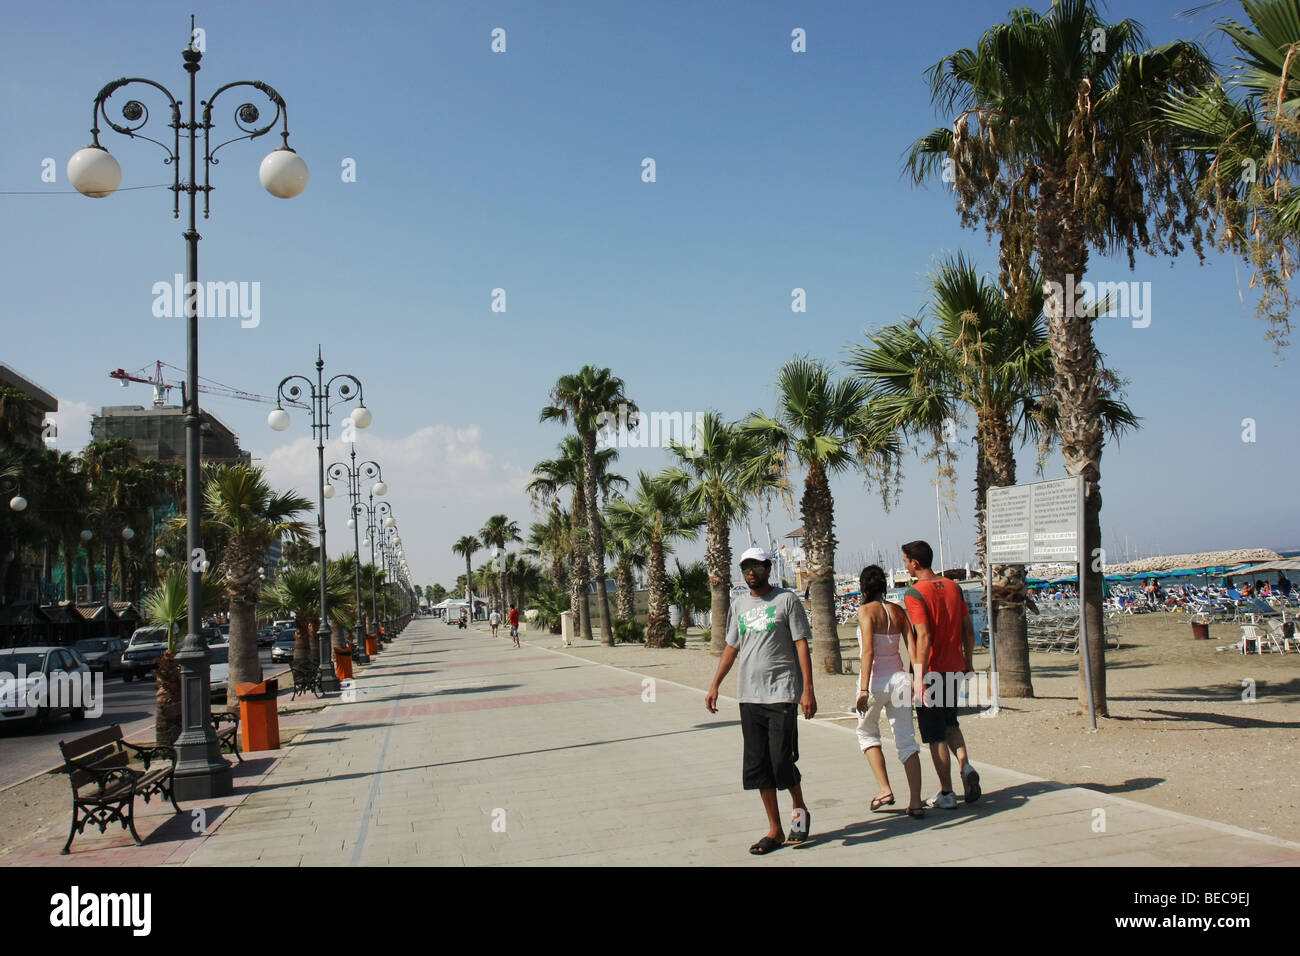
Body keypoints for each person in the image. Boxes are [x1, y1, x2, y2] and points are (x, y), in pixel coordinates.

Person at [706, 548, 816, 855]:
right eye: (745, 567)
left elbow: (801, 644)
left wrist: (808, 690)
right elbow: (731, 647)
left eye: (756, 566)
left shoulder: (786, 600)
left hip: (781, 693)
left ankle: (799, 808)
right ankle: (775, 830)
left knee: (781, 760)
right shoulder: (739, 604)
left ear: (767, 567)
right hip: (748, 696)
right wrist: (715, 684)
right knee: (758, 767)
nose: (750, 572)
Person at [901, 540, 981, 809]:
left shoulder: (915, 593)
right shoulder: (954, 587)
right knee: (951, 724)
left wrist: (919, 678)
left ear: (915, 563)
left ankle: (947, 792)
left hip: (932, 670)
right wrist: (968, 661)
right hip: (955, 666)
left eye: (905, 561)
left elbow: (922, 636)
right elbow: (968, 630)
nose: (905, 565)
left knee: (934, 734)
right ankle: (965, 766)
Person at [854, 564, 924, 818]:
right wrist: (918, 679)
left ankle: (884, 789)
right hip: (900, 679)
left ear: (863, 587)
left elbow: (868, 652)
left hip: (875, 682)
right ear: (883, 586)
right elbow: (913, 647)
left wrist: (863, 689)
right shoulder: (898, 611)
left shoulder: (865, 611)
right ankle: (916, 801)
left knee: (867, 733)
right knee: (906, 740)